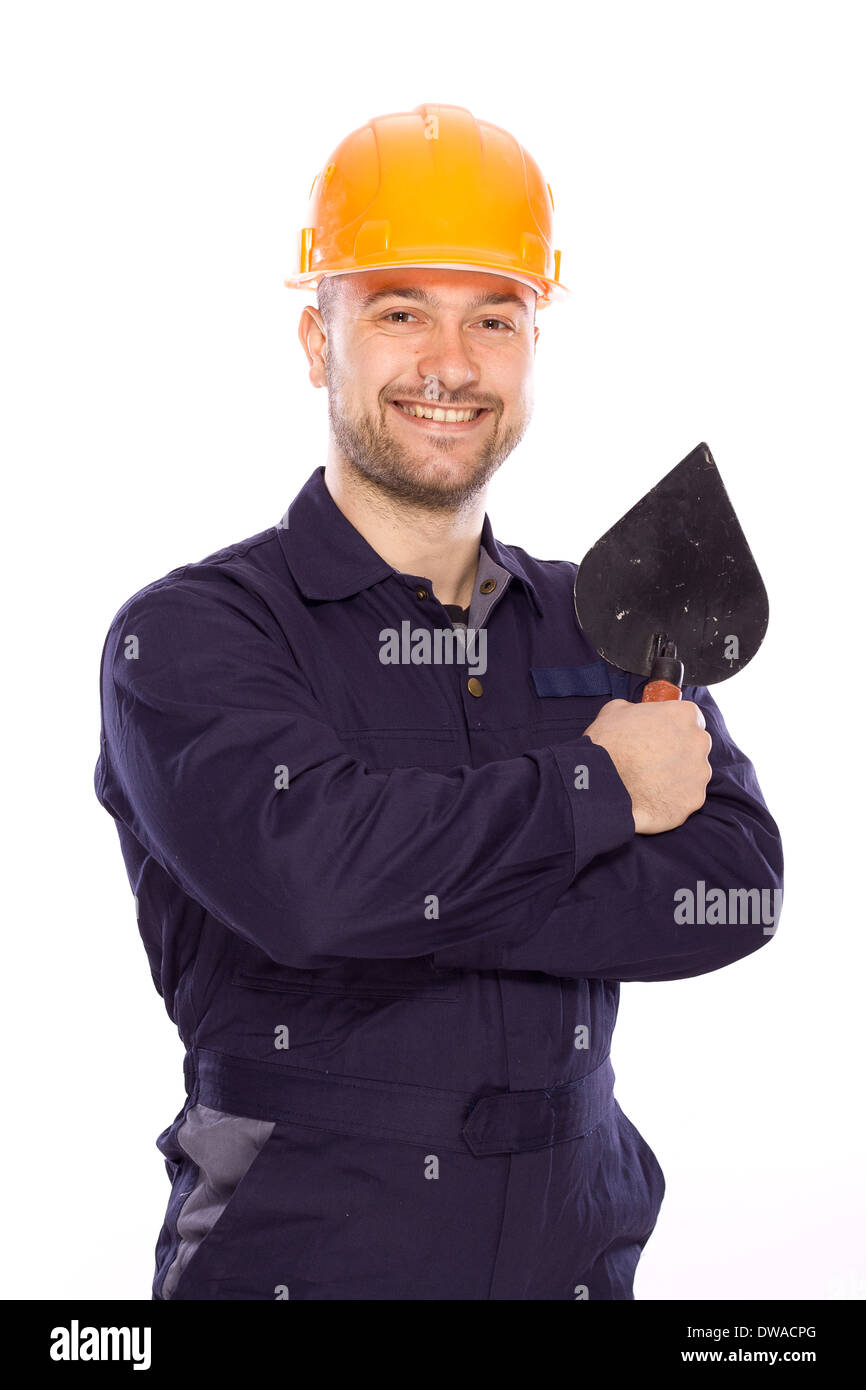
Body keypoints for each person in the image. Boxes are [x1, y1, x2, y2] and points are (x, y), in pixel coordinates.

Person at [94, 103, 783, 1301]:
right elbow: (308, 885)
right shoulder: (196, 634)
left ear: (531, 345)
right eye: (400, 310)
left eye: (494, 318)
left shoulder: (598, 624)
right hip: (292, 1271)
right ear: (319, 340)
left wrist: (386, 889)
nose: (451, 364)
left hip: (578, 1261)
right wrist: (601, 789)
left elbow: (735, 889)